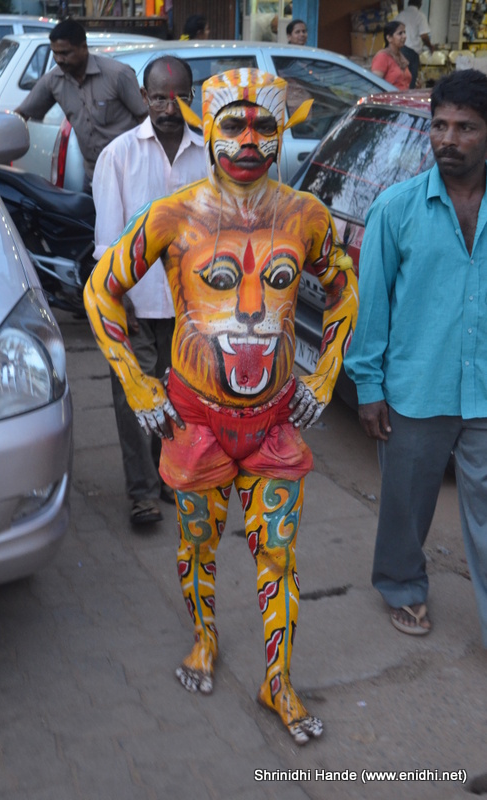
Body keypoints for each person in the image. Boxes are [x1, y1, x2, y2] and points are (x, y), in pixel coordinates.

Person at [84, 67, 358, 744]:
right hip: (195, 420)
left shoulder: (306, 216)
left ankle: (279, 681)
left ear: (282, 130)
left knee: (279, 557)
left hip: (273, 425)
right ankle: (204, 639)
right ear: (207, 130)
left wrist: (324, 378)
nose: (248, 139)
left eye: (264, 124)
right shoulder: (173, 216)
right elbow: (100, 292)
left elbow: (345, 287)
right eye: (232, 124)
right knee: (197, 548)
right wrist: (138, 383)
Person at [344, 69, 487, 645]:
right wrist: (369, 388)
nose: (448, 139)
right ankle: (402, 584)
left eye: (467, 128)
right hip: (414, 388)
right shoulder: (396, 208)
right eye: (440, 126)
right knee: (405, 505)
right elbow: (371, 307)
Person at [92, 55, 205, 527]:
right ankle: (140, 492)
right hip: (135, 303)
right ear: (144, 97)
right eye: (158, 96)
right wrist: (120, 301)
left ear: (191, 98)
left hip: (190, 308)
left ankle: (166, 476)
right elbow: (108, 243)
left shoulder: (209, 155)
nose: (168, 106)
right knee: (134, 397)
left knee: (179, 396)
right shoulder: (118, 155)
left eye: (177, 97)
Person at [15, 20, 146, 190]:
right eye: (55, 53)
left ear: (83, 48)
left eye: (65, 53)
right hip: (94, 176)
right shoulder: (53, 81)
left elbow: (146, 119)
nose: (59, 60)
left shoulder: (118, 74)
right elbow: (20, 115)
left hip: (131, 174)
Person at [397, 0, 434, 89]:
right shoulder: (420, 16)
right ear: (420, 4)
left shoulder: (400, 15)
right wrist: (430, 46)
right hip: (411, 52)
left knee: (400, 79)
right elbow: (424, 36)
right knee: (410, 80)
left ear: (408, 3)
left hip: (398, 50)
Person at [371, 20, 412, 92]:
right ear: (389, 38)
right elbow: (374, 86)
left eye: (404, 32)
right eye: (400, 33)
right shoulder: (382, 57)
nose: (404, 36)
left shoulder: (401, 57)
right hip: (389, 101)